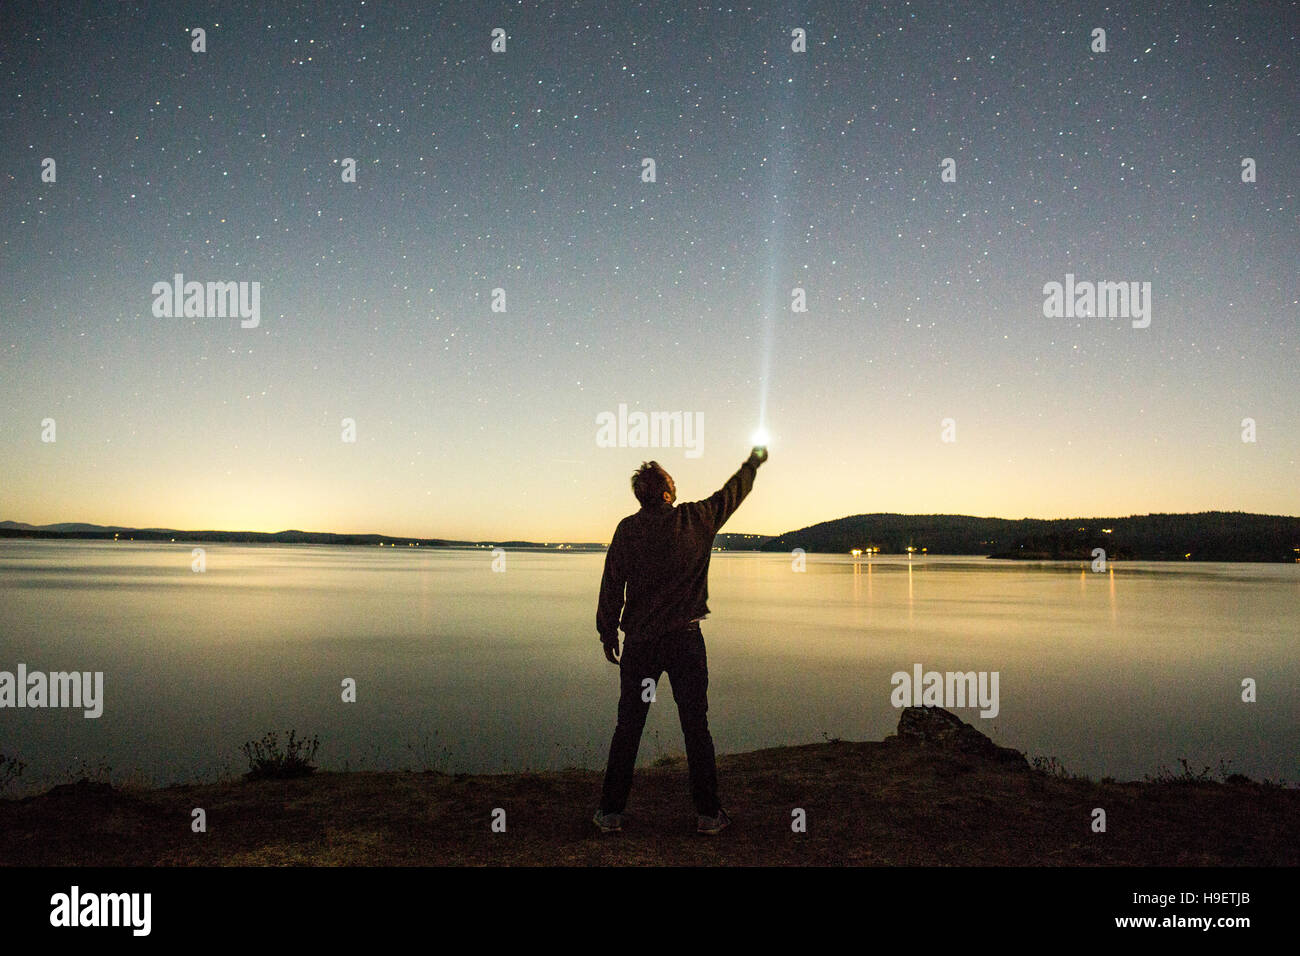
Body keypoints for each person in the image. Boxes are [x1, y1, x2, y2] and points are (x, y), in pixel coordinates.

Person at [593, 446, 768, 834]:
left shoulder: (628, 529)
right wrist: (753, 463)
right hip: (685, 642)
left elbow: (612, 585)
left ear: (642, 496)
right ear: (667, 494)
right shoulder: (695, 520)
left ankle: (610, 813)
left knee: (629, 726)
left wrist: (607, 632)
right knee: (695, 724)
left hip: (640, 646)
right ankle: (708, 814)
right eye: (672, 482)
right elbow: (733, 492)